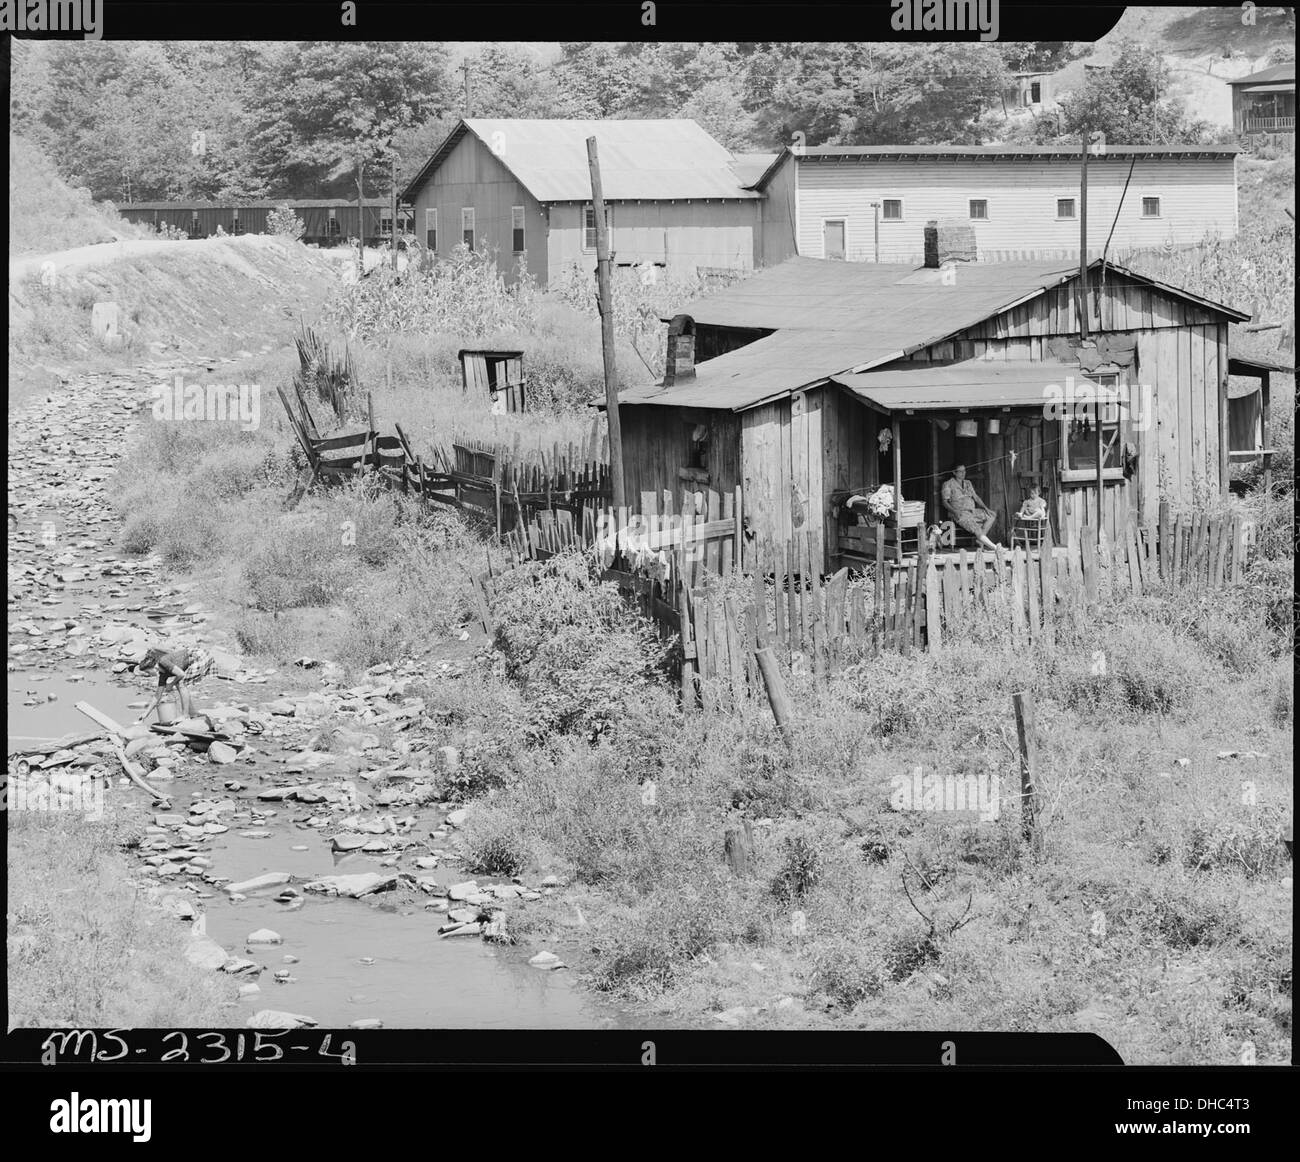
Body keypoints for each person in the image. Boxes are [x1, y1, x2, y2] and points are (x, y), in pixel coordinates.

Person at [138, 643, 213, 723]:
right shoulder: (163, 675)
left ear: (153, 667)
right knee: (179, 683)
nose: (148, 674)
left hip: (199, 656)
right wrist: (146, 713)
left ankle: (185, 715)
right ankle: (192, 713)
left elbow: (181, 674)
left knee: (180, 684)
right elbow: (157, 696)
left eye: (148, 671)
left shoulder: (163, 661)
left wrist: (171, 684)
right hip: (194, 660)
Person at [941, 464, 1000, 551]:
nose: (963, 473)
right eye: (960, 471)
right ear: (954, 472)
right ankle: (996, 548)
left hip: (972, 511)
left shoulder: (968, 483)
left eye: (964, 471)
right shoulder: (948, 484)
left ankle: (980, 540)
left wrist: (986, 508)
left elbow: (976, 497)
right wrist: (954, 512)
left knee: (992, 515)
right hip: (960, 513)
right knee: (976, 528)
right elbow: (945, 502)